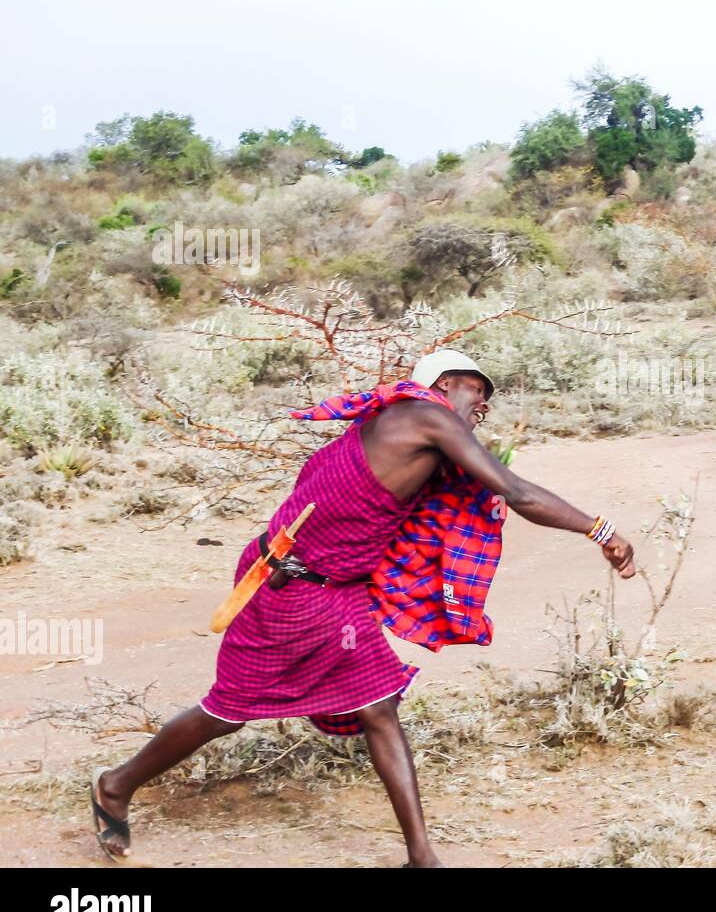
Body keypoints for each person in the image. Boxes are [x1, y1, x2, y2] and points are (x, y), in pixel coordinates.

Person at [90, 349, 635, 867]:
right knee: (228, 712)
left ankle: (422, 857)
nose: (483, 404)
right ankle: (115, 786)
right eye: (477, 389)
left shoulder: (404, 428)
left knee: (378, 706)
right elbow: (513, 489)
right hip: (286, 586)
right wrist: (599, 529)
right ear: (444, 385)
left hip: (337, 589)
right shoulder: (426, 414)